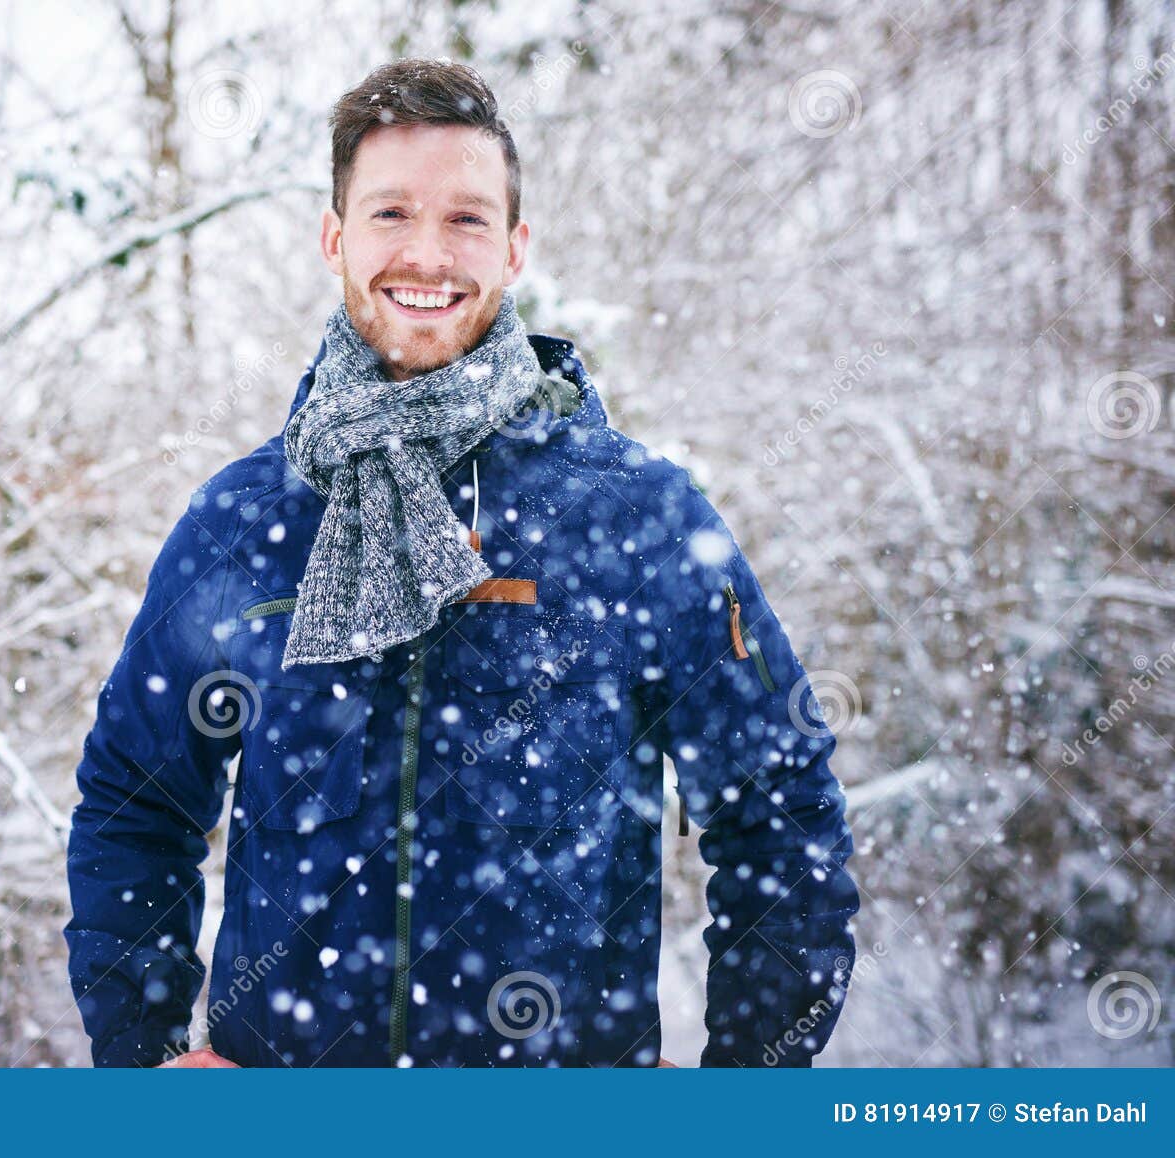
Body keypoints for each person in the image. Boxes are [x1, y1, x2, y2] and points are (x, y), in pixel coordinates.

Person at [64, 57, 860, 1068]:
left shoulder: (637, 518)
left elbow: (778, 808)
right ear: (335, 237)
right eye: (391, 213)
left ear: (515, 246)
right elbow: (135, 803)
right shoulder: (245, 520)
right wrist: (141, 1062)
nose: (427, 254)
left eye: (467, 219)